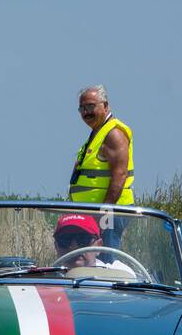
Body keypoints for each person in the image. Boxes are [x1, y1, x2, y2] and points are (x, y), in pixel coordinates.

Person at [68, 85, 134, 251]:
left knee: (106, 262)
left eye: (90, 106)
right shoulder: (97, 133)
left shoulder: (114, 134)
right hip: (93, 214)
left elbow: (119, 176)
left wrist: (104, 217)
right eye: (81, 109)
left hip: (109, 213)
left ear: (105, 106)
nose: (86, 113)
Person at [52, 214, 135, 277]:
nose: (74, 246)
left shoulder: (121, 274)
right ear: (56, 247)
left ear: (99, 246)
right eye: (65, 239)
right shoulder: (46, 282)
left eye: (83, 239)